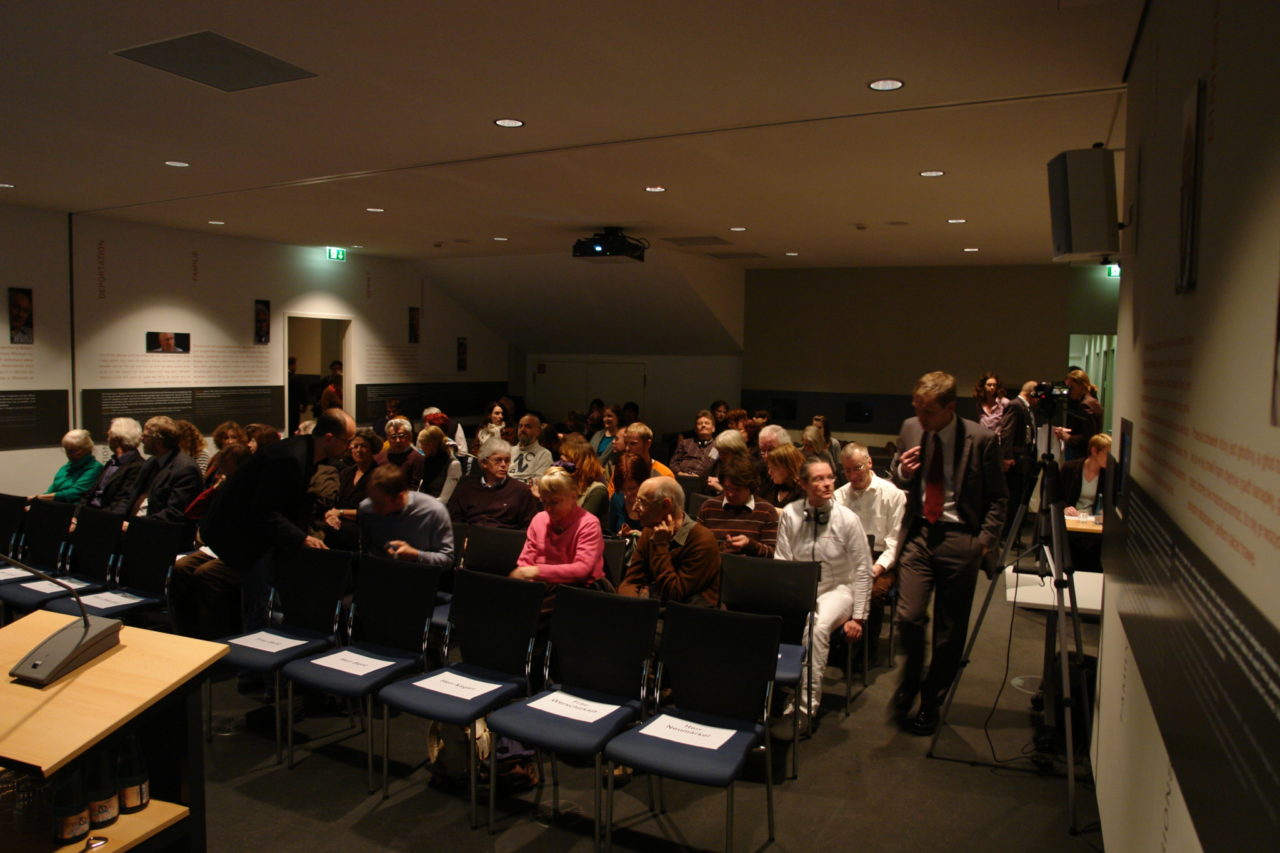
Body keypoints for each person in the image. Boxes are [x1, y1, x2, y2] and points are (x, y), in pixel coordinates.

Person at [890, 371, 1007, 736]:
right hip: (920, 533)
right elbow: (899, 479)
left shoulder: (982, 438)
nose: (921, 419)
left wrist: (982, 543)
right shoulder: (911, 428)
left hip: (961, 537)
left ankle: (931, 698)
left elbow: (999, 498)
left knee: (949, 630)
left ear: (950, 408)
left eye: (928, 413)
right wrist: (902, 472)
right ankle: (910, 678)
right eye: (917, 410)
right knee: (908, 616)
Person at [200, 408, 356, 631]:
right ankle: (257, 653)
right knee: (261, 605)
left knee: (266, 597)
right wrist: (302, 538)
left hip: (254, 532)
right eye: (347, 440)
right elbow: (264, 511)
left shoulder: (303, 450)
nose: (349, 446)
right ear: (329, 438)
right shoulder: (290, 458)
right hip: (241, 535)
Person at [774, 457, 873, 737]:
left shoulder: (847, 519)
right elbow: (782, 561)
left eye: (830, 477)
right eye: (818, 479)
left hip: (838, 589)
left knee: (816, 628)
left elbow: (864, 570)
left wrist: (859, 617)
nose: (827, 483)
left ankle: (803, 710)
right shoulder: (791, 515)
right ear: (803, 484)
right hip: (799, 590)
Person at [834, 442, 906, 662]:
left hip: (880, 560)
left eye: (857, 468)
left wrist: (876, 568)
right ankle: (834, 645)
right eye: (847, 471)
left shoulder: (893, 495)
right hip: (847, 559)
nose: (853, 476)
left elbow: (895, 543)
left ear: (869, 463)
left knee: (873, 594)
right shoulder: (838, 496)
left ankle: (864, 654)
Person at [618, 476, 721, 607]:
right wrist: (630, 608)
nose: (635, 508)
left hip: (685, 619)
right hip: (650, 612)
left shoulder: (702, 541)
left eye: (642, 502)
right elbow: (631, 581)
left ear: (666, 505)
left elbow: (674, 594)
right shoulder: (649, 531)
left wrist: (660, 546)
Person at [509, 466, 604, 587]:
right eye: (544, 502)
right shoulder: (539, 519)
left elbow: (582, 570)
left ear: (573, 496)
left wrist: (536, 571)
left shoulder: (589, 523)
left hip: (577, 590)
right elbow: (525, 562)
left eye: (554, 502)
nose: (548, 508)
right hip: (540, 587)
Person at [358, 464, 453, 566]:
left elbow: (447, 559)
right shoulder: (366, 508)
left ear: (399, 498)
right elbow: (365, 550)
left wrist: (417, 555)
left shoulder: (433, 511)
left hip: (417, 575)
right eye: (372, 500)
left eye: (380, 503)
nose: (374, 508)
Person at [697, 454, 778, 557]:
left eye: (737, 490)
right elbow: (697, 545)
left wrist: (750, 545)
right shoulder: (708, 507)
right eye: (727, 488)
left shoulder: (766, 511)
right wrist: (721, 547)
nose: (731, 494)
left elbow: (773, 554)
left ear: (750, 487)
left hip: (751, 570)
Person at [447, 438, 538, 529]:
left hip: (506, 539)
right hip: (472, 538)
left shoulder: (521, 491)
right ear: (484, 463)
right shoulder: (466, 487)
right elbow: (454, 521)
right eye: (498, 460)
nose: (503, 465)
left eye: (507, 460)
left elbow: (528, 528)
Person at [125, 416, 202, 523]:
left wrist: (137, 526)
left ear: (159, 442)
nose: (141, 439)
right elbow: (132, 497)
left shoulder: (185, 469)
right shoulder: (150, 463)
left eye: (146, 436)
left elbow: (175, 513)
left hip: (162, 533)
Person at [323, 427, 380, 551]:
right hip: (340, 521)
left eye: (363, 446)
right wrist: (333, 515)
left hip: (365, 526)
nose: (358, 450)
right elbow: (335, 501)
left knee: (332, 532)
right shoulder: (346, 473)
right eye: (355, 446)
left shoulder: (379, 475)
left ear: (372, 449)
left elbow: (374, 511)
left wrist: (340, 513)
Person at [1060, 433, 1110, 573]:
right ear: (1094, 451)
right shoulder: (1070, 468)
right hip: (1072, 522)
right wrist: (1065, 508)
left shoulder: (1108, 475)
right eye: (1107, 453)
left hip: (1094, 525)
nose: (1110, 459)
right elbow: (1056, 496)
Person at [83, 417, 145, 513]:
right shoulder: (112, 462)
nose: (107, 439)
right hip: (91, 513)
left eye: (109, 436)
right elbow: (90, 493)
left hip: (105, 518)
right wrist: (76, 515)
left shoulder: (137, 466)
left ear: (117, 438)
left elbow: (123, 501)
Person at [999, 381, 1040, 520]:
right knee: (1013, 499)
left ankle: (1013, 536)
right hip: (1016, 461)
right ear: (1031, 394)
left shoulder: (1026, 408)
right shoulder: (1015, 405)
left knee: (1019, 498)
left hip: (1025, 460)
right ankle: (1007, 536)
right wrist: (1007, 456)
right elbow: (1007, 432)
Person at [32, 429, 103, 503]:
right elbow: (52, 490)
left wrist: (38, 498)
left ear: (86, 448)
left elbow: (74, 493)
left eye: (72, 451)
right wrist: (36, 501)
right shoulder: (66, 468)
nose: (68, 454)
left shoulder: (94, 468)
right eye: (67, 450)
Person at [557, 435, 610, 524]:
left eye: (564, 460)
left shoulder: (597, 490)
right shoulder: (568, 486)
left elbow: (582, 524)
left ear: (577, 462)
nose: (560, 464)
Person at [1056, 368, 1104, 462]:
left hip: (1082, 455)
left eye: (1072, 387)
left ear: (1082, 386)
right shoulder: (1093, 401)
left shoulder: (1085, 405)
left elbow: (1089, 436)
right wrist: (1069, 431)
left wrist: (1068, 437)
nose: (1069, 391)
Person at [606, 452, 650, 536]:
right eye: (623, 489)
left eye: (632, 488)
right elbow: (609, 533)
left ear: (643, 481)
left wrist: (643, 537)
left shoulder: (653, 500)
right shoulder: (617, 498)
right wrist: (618, 537)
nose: (627, 494)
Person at [416, 425, 462, 504]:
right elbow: (421, 488)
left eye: (423, 444)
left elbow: (444, 499)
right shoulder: (427, 461)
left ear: (431, 445)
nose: (421, 448)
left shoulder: (453, 465)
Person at [376, 417, 424, 490]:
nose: (397, 440)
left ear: (409, 436)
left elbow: (414, 487)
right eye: (393, 437)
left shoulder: (417, 458)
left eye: (401, 436)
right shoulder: (379, 457)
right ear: (387, 438)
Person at [669, 410, 717, 477]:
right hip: (681, 477)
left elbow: (715, 468)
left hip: (703, 481)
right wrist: (680, 473)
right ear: (695, 429)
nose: (703, 425)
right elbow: (673, 463)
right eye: (700, 423)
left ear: (713, 428)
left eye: (707, 423)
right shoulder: (685, 443)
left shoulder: (717, 447)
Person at [509, 413, 553, 484]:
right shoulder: (508, 451)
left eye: (528, 426)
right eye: (520, 426)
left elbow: (539, 481)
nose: (522, 429)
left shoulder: (544, 454)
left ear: (538, 431)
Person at [204, 421, 249, 486]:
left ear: (240, 439)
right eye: (226, 438)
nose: (230, 441)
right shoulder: (215, 458)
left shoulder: (245, 459)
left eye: (234, 437)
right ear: (220, 440)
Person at [760, 444, 805, 508]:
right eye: (769, 467)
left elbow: (798, 514)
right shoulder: (769, 486)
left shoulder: (803, 490)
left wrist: (770, 511)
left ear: (789, 468)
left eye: (773, 468)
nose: (769, 472)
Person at [706, 427, 748, 494]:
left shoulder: (745, 469)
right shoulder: (718, 463)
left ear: (736, 450)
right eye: (719, 452)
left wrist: (720, 488)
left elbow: (739, 497)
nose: (721, 456)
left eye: (725, 453)